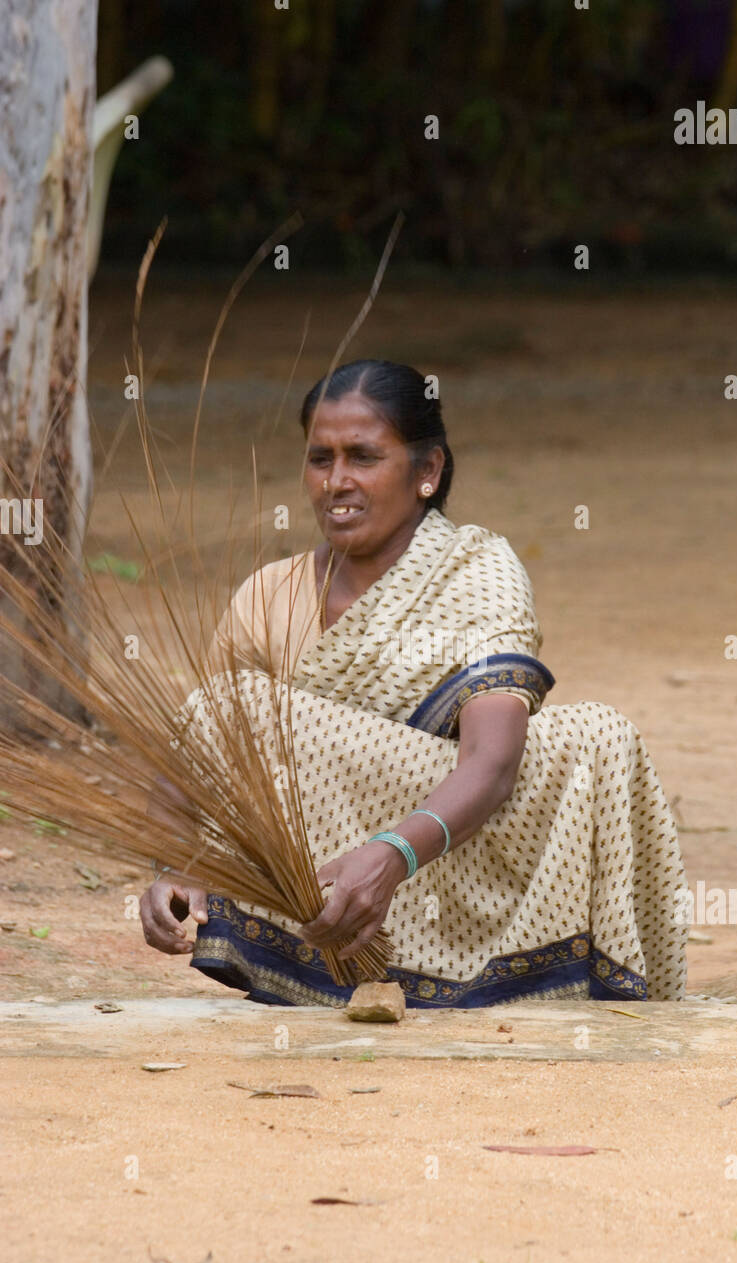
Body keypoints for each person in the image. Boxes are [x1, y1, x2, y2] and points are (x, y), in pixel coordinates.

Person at [139, 360, 688, 1006]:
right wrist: (173, 869)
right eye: (320, 459)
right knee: (233, 703)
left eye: (363, 457)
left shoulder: (477, 574)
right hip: (317, 906)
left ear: (427, 471)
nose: (336, 482)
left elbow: (493, 761)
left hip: (464, 876)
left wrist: (392, 853)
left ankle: (517, 980)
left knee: (596, 735)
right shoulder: (270, 597)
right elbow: (204, 741)